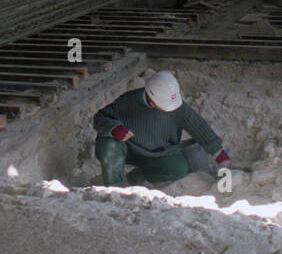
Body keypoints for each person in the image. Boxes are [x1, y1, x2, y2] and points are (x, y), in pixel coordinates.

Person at [92, 71, 230, 187]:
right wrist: (115, 128)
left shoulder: (177, 107)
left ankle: (134, 178)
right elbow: (100, 117)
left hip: (157, 153)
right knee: (109, 144)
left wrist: (218, 152)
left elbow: (198, 126)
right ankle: (113, 188)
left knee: (178, 169)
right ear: (150, 97)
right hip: (128, 149)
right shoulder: (128, 100)